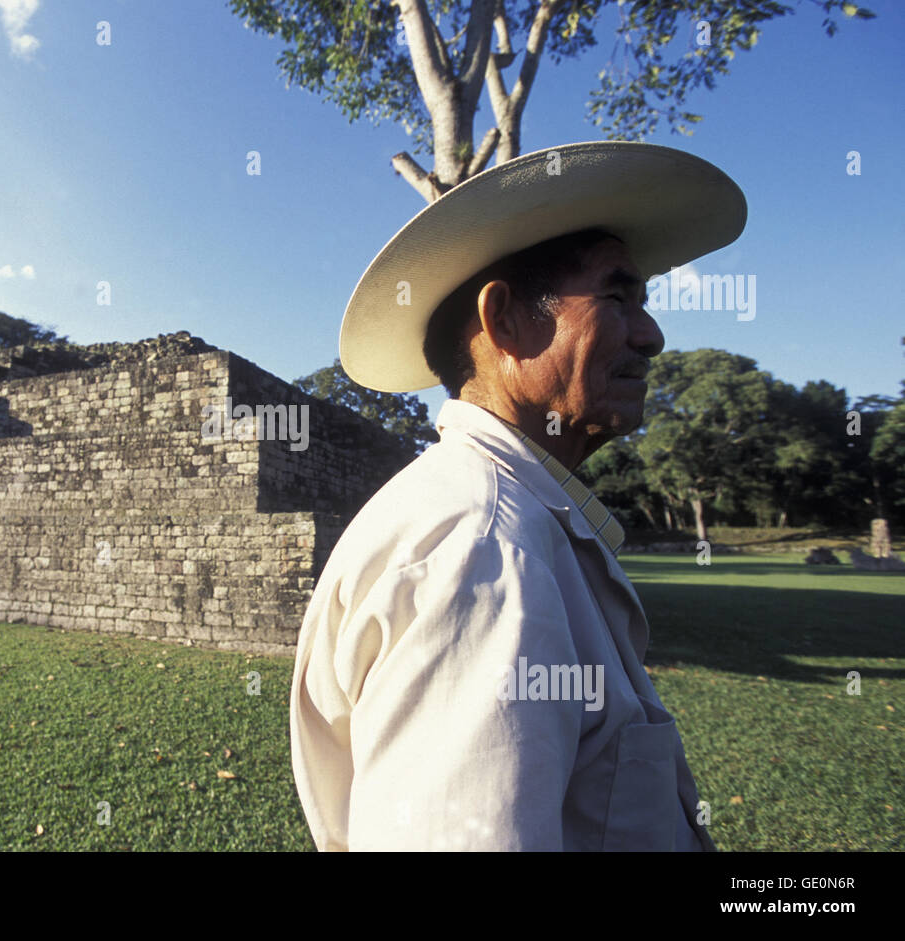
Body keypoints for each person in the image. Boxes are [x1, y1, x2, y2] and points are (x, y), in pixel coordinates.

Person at [290, 141, 747, 851]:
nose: (651, 334)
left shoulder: (500, 518)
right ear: (505, 321)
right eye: (617, 295)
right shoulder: (482, 551)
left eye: (643, 302)